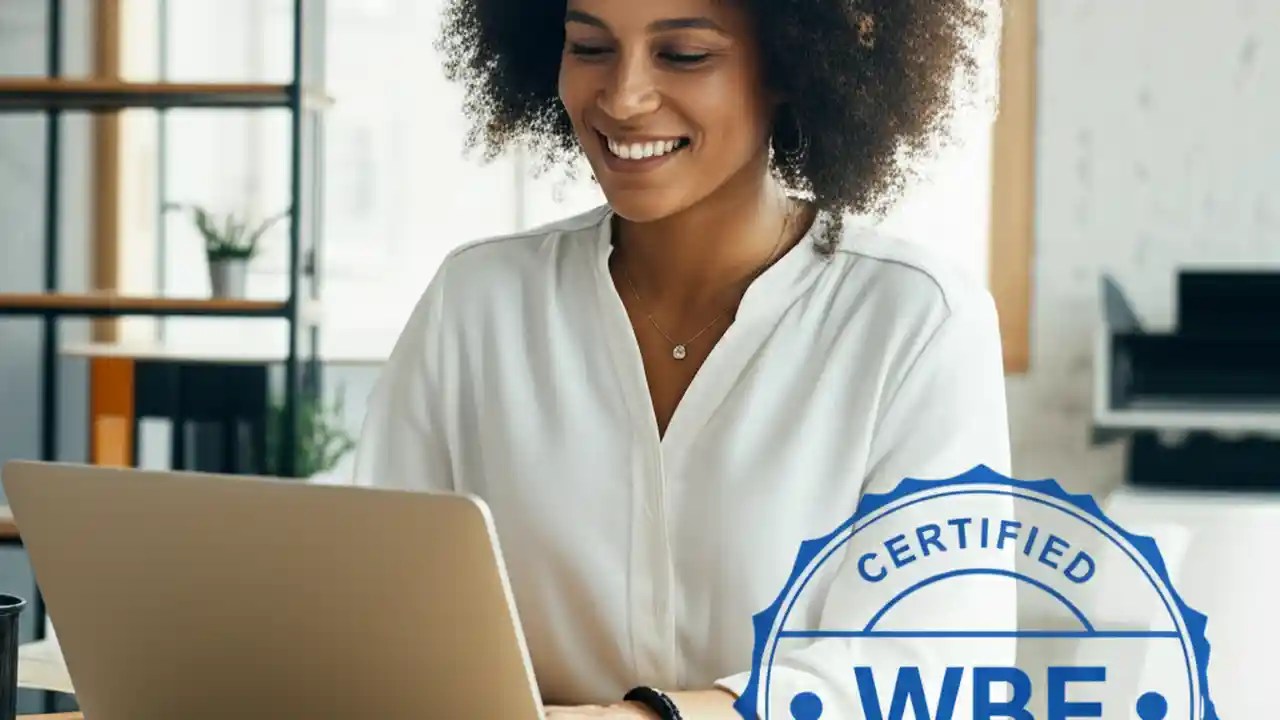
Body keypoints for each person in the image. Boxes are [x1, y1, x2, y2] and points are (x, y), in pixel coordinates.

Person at [354, 0, 1015, 717]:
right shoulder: (476, 304)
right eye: (589, 47)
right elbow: (378, 614)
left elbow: (925, 666)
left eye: (684, 55)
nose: (623, 96)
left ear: (792, 68)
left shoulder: (914, 320)